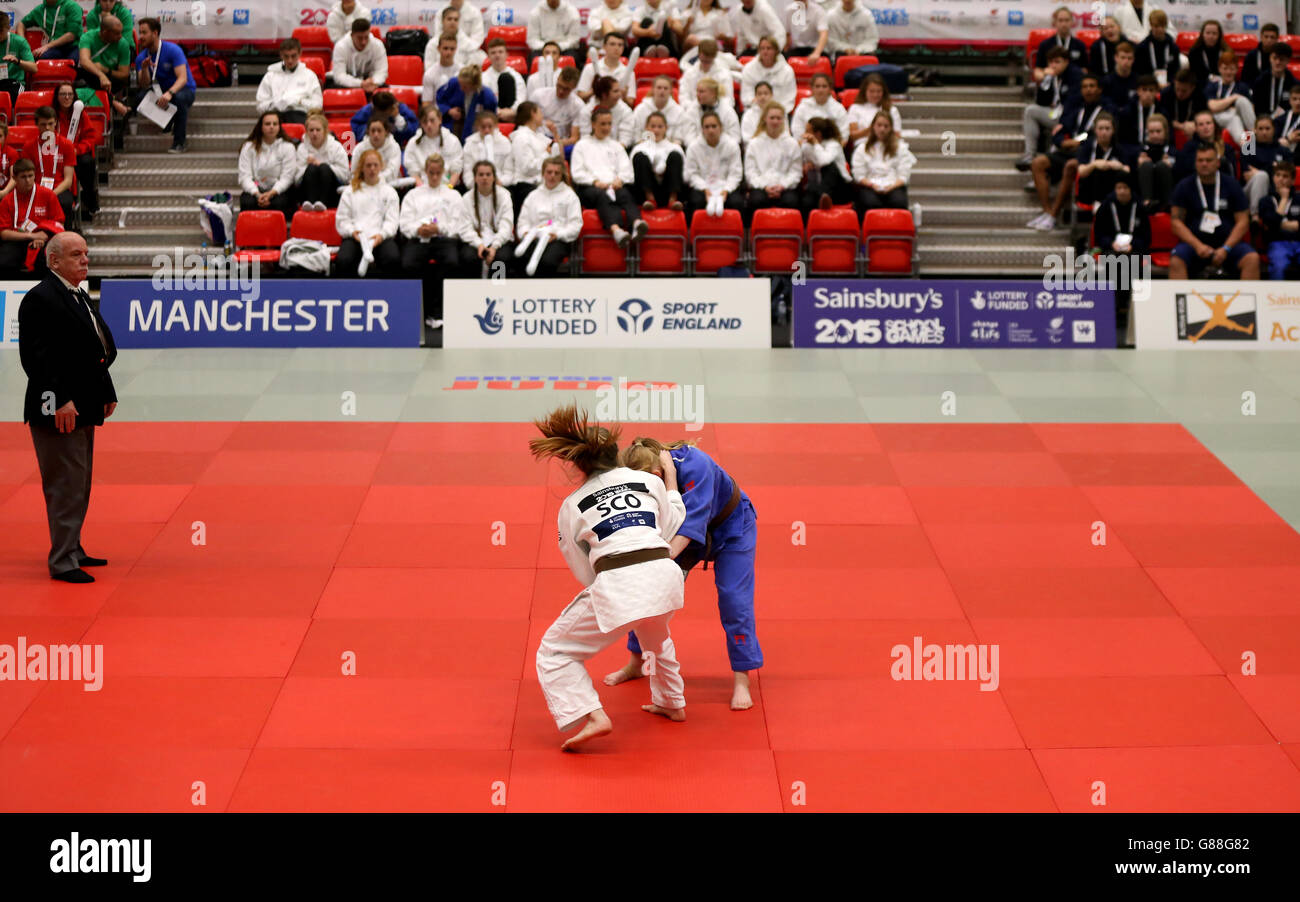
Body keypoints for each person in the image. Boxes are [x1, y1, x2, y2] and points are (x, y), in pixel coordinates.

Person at [531, 406, 688, 751]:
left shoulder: (572, 504)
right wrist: (672, 484)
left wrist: (606, 591)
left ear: (579, 465)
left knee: (555, 651)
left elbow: (578, 563)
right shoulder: (649, 481)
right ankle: (672, 702)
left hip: (620, 580)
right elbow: (670, 523)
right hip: (665, 575)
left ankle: (592, 715)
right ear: (616, 454)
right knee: (655, 635)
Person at [608, 436, 760, 712]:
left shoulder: (696, 464)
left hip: (732, 528)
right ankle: (636, 662)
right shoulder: (636, 477)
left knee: (734, 600)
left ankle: (742, 679)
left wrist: (658, 558)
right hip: (681, 530)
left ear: (657, 473)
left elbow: (694, 522)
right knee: (647, 590)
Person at [17, 232, 115, 584]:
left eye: (86, 254)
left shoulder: (77, 295)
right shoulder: (40, 298)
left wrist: (106, 390)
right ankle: (62, 560)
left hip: (84, 404)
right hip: (58, 408)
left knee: (80, 481)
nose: (85, 260)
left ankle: (72, 546)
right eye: (77, 255)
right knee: (64, 483)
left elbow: (95, 351)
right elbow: (37, 359)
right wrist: (58, 400)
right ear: (54, 261)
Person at [1027, 73, 1110, 231]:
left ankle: (1053, 214)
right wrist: (1062, 142)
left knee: (1071, 166)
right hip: (1069, 149)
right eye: (1085, 87)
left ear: (1099, 89)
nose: (1088, 90)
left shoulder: (1107, 109)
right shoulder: (1076, 107)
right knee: (1038, 162)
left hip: (1089, 152)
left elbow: (1104, 135)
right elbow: (1061, 129)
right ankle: (1047, 212)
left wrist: (1079, 143)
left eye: (1092, 86)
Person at [400, 153, 472, 329]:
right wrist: (418, 229)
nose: (433, 176)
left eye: (437, 173)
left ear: (443, 173)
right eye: (430, 172)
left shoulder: (453, 196)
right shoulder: (413, 195)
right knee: (408, 263)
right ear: (425, 172)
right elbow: (404, 224)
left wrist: (439, 228)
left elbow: (458, 226)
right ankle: (417, 311)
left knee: (451, 261)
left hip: (444, 239)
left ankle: (439, 311)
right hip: (418, 238)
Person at [1168, 143, 1259, 279]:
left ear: (1217, 163)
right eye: (1200, 160)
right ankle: (1178, 301)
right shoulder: (1184, 186)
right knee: (1176, 260)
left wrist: (1226, 248)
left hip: (1228, 246)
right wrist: (1198, 246)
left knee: (1252, 258)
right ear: (1195, 163)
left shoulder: (1232, 185)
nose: (1204, 164)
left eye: (1208, 160)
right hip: (1194, 246)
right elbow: (1176, 222)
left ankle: (1248, 300)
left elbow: (1243, 221)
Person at [571, 106, 645, 246]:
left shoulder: (616, 146)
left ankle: (636, 223)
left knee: (624, 194)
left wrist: (620, 180)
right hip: (589, 188)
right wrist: (595, 182)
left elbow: (627, 170)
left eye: (609, 124)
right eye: (602, 124)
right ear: (593, 124)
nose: (606, 127)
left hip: (614, 186)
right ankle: (616, 230)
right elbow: (577, 173)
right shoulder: (581, 145)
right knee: (601, 196)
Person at [133, 17, 195, 154]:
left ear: (155, 33)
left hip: (182, 89)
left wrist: (170, 93)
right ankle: (167, 121)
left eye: (144, 33)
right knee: (140, 97)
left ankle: (180, 142)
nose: (141, 36)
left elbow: (183, 78)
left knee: (179, 99)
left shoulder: (173, 50)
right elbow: (144, 85)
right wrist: (144, 69)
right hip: (161, 90)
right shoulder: (141, 57)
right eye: (140, 33)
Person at [337, 148, 400, 276]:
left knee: (392, 258)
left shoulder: (390, 192)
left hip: (380, 237)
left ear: (381, 167)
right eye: (368, 165)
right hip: (355, 237)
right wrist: (352, 232)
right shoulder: (350, 192)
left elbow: (392, 221)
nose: (372, 169)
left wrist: (382, 235)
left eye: (375, 165)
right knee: (344, 260)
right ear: (362, 168)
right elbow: (342, 219)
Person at [515, 156, 581, 275]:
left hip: (558, 239)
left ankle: (545, 293)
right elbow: (523, 222)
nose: (552, 176)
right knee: (519, 258)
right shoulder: (533, 196)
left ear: (561, 175)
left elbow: (575, 225)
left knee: (546, 261)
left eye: (556, 173)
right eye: (549, 172)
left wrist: (557, 235)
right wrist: (525, 233)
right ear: (543, 173)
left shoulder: (570, 196)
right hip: (534, 236)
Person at [1019, 47, 1082, 171]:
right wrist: (1046, 80)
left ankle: (1047, 170)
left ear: (1066, 62)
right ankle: (1029, 154)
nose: (1053, 65)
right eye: (1051, 62)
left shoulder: (1075, 75)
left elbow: (1074, 105)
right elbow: (1041, 101)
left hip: (1071, 118)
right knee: (1031, 111)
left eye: (1057, 62)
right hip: (1055, 113)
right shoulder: (1052, 76)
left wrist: (1063, 124)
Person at [0, 158, 64, 277]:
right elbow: (4, 233)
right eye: (23, 177)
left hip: (43, 241)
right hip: (17, 241)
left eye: (31, 176)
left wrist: (44, 236)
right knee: (4, 261)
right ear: (14, 178)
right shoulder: (7, 201)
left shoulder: (48, 195)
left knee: (45, 260)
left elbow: (59, 223)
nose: (28, 180)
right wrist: (32, 235)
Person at [459, 158, 516, 276]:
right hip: (475, 241)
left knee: (501, 259)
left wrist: (494, 247)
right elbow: (465, 228)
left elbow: (506, 226)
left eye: (488, 174)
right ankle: (472, 293)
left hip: (500, 241)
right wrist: (479, 245)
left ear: (494, 177)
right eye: (481, 174)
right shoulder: (467, 198)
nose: (484, 177)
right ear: (475, 178)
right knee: (468, 257)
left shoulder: (504, 195)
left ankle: (498, 292)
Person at [744, 101, 800, 221]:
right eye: (772, 118)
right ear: (765, 119)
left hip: (785, 187)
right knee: (756, 200)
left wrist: (783, 185)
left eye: (778, 118)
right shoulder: (754, 143)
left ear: (783, 120)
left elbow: (796, 172)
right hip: (761, 188)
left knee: (792, 201)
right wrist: (765, 186)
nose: (775, 121)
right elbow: (750, 173)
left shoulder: (792, 143)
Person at [53, 83, 103, 220]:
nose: (67, 97)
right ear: (57, 97)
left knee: (86, 162)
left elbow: (91, 137)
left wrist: (77, 149)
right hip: (57, 154)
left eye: (70, 94)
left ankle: (89, 198)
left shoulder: (81, 114)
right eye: (63, 94)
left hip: (77, 152)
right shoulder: (52, 115)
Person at [851, 109, 914, 215]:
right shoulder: (862, 148)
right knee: (870, 203)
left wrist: (891, 186)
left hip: (893, 185)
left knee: (898, 202)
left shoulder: (901, 148)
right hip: (870, 185)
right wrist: (872, 185)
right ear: (873, 126)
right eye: (879, 125)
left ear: (891, 128)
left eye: (886, 126)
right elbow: (859, 175)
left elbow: (904, 175)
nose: (882, 129)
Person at [684, 110, 742, 218]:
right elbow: (691, 174)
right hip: (703, 187)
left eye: (714, 126)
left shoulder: (732, 146)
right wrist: (704, 188)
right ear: (702, 129)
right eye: (707, 127)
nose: (710, 130)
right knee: (696, 201)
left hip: (726, 186)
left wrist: (726, 190)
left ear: (721, 128)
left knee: (737, 202)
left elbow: (735, 173)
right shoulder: (693, 147)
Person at [238, 111, 297, 216]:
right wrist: (256, 193)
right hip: (256, 188)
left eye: (275, 124)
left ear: (279, 127)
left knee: (280, 203)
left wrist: (271, 193)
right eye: (267, 124)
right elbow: (244, 177)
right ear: (261, 126)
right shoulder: (248, 147)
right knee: (247, 202)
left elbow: (287, 177)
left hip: (278, 190)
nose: (271, 127)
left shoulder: (288, 147)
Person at [25, 105, 77, 222]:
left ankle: (65, 237)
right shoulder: (29, 146)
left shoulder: (67, 145)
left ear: (56, 123)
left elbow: (68, 181)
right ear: (37, 125)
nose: (47, 128)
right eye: (43, 124)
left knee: (64, 202)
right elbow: (26, 175)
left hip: (59, 189)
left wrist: (51, 194)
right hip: (35, 189)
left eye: (50, 123)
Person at [257, 38, 322, 127]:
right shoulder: (270, 76)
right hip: (275, 117)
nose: (290, 60)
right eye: (286, 56)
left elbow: (318, 106)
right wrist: (274, 105)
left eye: (293, 56)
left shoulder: (309, 76)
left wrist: (299, 101)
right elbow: (260, 106)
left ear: (300, 54)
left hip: (300, 116)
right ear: (281, 55)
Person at [509, 100, 560, 213]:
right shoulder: (521, 138)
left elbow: (557, 158)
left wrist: (555, 134)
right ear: (533, 113)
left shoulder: (539, 137)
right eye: (540, 112)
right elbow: (527, 167)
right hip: (526, 185)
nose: (542, 116)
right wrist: (546, 154)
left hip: (542, 183)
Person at [294, 112, 350, 210]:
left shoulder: (336, 147)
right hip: (307, 190)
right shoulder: (302, 148)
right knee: (311, 168)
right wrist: (310, 167)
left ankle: (322, 203)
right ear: (306, 132)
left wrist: (322, 164)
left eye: (318, 130)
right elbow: (296, 179)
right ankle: (310, 204)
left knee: (324, 168)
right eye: (311, 130)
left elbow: (345, 176)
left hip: (332, 191)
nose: (314, 133)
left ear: (325, 131)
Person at [1075, 111, 1132, 208]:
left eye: (1107, 128)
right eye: (1100, 128)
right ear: (1095, 130)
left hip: (1112, 190)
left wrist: (1119, 166)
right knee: (1098, 170)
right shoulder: (1087, 146)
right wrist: (1094, 164)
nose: (1104, 132)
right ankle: (1098, 203)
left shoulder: (1118, 148)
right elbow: (1081, 171)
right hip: (1089, 190)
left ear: (1113, 130)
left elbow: (1127, 171)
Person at [630, 110, 684, 210]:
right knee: (640, 157)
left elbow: (683, 175)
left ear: (666, 128)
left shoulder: (675, 147)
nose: (656, 130)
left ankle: (673, 200)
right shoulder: (639, 148)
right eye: (653, 126)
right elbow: (632, 175)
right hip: (645, 192)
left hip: (667, 188)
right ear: (646, 128)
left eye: (660, 126)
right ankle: (650, 199)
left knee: (675, 156)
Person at [1258, 158, 1300, 279]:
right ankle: (1276, 297)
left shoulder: (1298, 199)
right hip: (1277, 243)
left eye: (1285, 176)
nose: (1280, 179)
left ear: (1292, 181)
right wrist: (1284, 199)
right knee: (1279, 265)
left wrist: (1279, 224)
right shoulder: (1266, 201)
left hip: (1298, 242)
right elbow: (1270, 224)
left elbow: (1275, 223)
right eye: (1278, 175)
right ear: (1273, 178)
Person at [404, 103, 463, 189]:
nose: (429, 125)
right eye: (425, 121)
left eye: (432, 120)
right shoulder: (413, 143)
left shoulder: (452, 141)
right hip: (421, 188)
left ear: (440, 119)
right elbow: (413, 173)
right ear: (420, 123)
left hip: (448, 187)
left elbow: (456, 170)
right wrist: (424, 190)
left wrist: (449, 189)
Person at [1239, 115, 1291, 213]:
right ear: (1255, 130)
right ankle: (1256, 215)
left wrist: (1260, 171)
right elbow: (1246, 175)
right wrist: (1272, 167)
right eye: (1260, 129)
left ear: (1274, 130)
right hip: (1249, 191)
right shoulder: (1248, 146)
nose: (1264, 132)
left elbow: (1287, 175)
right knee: (1261, 177)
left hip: (1277, 190)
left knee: (1261, 175)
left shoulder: (1283, 150)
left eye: (1267, 128)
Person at [1092, 170, 1150, 256]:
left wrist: (1133, 245)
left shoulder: (1139, 206)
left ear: (1130, 189)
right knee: (1110, 258)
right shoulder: (1106, 206)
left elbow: (1146, 236)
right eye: (1119, 188)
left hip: (1134, 248)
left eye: (1125, 187)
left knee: (1135, 259)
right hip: (1112, 247)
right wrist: (1111, 243)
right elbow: (1099, 234)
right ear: (1115, 189)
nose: (1122, 191)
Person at [76, 13, 130, 104]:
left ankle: (111, 103)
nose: (120, 36)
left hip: (111, 78)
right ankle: (114, 103)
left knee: (110, 83)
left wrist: (104, 70)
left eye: (121, 32)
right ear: (105, 32)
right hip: (91, 75)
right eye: (117, 33)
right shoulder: (88, 37)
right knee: (84, 81)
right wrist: (101, 75)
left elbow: (124, 74)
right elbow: (84, 61)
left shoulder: (123, 43)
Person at [1206, 49, 1255, 146]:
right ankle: (1248, 146)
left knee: (1241, 102)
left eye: (1232, 69)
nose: (1228, 72)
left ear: (1237, 70)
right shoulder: (1213, 85)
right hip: (1219, 119)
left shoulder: (1242, 87)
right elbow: (1213, 107)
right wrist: (1233, 98)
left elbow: (1250, 110)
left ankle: (1254, 132)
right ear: (1219, 69)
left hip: (1240, 119)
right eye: (1225, 68)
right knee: (1233, 117)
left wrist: (1223, 104)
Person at [1172, 109, 1236, 183]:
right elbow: (1181, 172)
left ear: (1214, 125)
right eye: (1201, 124)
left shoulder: (1226, 148)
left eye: (1208, 123)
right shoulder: (1189, 148)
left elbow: (1232, 173)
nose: (1205, 127)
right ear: (1196, 128)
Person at [438, 65, 498, 142]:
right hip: (454, 125)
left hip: (475, 130)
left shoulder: (487, 96)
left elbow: (492, 118)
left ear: (474, 85)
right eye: (460, 84)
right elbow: (440, 99)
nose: (461, 88)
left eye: (465, 87)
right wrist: (448, 110)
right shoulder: (454, 83)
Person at [532, 66, 583, 154]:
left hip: (560, 141)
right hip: (537, 136)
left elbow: (574, 138)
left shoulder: (578, 105)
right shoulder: (538, 95)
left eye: (566, 89)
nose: (561, 91)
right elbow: (526, 121)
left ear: (574, 87)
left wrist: (555, 143)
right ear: (557, 79)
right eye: (559, 86)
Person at [330, 18, 387, 93]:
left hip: (370, 82)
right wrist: (360, 83)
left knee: (384, 92)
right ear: (352, 35)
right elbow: (339, 76)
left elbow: (381, 71)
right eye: (360, 38)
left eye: (366, 37)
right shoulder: (340, 46)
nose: (363, 42)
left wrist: (375, 82)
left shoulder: (378, 45)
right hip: (347, 82)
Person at [679, 77, 741, 147]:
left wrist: (719, 147)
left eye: (701, 92)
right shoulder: (692, 110)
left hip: (723, 150)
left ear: (713, 93)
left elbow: (735, 137)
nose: (697, 95)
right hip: (699, 151)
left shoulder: (728, 111)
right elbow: (688, 137)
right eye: (697, 91)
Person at [741, 35, 796, 112]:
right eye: (762, 48)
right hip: (755, 111)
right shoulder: (749, 69)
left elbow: (789, 98)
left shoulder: (787, 71)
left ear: (776, 51)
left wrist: (777, 111)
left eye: (769, 48)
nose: (765, 51)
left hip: (779, 113)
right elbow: (746, 96)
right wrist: (758, 105)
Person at [461, 109, 515, 185]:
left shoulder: (504, 143)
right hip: (476, 186)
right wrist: (475, 184)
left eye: (490, 127)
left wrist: (501, 182)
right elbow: (468, 172)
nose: (487, 130)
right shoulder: (470, 143)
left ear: (496, 126)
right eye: (483, 127)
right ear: (477, 127)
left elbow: (509, 171)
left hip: (500, 184)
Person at [791, 72, 849, 142]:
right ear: (812, 88)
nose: (821, 90)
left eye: (824, 86)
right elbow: (797, 133)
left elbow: (844, 135)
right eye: (817, 86)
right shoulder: (803, 107)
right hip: (807, 146)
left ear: (830, 89)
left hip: (832, 148)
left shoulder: (838, 108)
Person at [578, 76, 635, 147]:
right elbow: (585, 137)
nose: (620, 94)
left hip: (616, 151)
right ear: (604, 95)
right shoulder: (586, 111)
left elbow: (625, 140)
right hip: (592, 150)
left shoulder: (625, 111)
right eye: (615, 91)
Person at [679, 38, 737, 106]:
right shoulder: (689, 74)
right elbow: (683, 98)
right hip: (694, 111)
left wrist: (713, 107)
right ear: (699, 55)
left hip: (717, 111)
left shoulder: (724, 74)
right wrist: (698, 108)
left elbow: (729, 100)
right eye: (703, 61)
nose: (705, 65)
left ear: (715, 56)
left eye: (708, 62)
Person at [1135, 112, 1174, 212]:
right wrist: (1138, 164)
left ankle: (1167, 204)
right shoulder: (1140, 152)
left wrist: (1171, 163)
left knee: (1162, 166)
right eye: (1151, 132)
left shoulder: (1172, 151)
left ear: (1165, 132)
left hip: (1167, 194)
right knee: (1146, 165)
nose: (1155, 135)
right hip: (1145, 195)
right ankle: (1147, 202)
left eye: (1158, 131)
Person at [1033, 6, 1086, 80]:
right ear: (1054, 23)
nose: (1064, 24)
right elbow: (1037, 71)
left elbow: (1085, 70)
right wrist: (1044, 74)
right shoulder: (1045, 45)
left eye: (1067, 20)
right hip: (1052, 82)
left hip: (1073, 84)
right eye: (1060, 20)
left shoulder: (1080, 45)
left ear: (1072, 22)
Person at [350, 89, 418, 146]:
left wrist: (397, 117)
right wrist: (372, 129)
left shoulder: (400, 108)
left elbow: (413, 131)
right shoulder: (367, 110)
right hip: (371, 147)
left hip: (396, 147)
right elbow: (357, 131)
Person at [848, 73, 901, 143]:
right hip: (863, 145)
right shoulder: (855, 108)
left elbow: (897, 135)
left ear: (883, 92)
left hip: (887, 145)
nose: (875, 95)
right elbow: (852, 136)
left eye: (879, 91)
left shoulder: (892, 110)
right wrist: (871, 129)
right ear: (865, 91)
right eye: (871, 91)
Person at [633, 75, 687, 146]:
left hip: (670, 150)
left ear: (671, 91)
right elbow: (636, 136)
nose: (662, 91)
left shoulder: (679, 111)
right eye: (659, 88)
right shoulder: (640, 110)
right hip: (645, 148)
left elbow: (678, 139)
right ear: (653, 89)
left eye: (665, 88)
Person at [483, 38, 526, 122]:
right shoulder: (483, 77)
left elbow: (521, 99)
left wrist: (511, 111)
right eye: (493, 52)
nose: (497, 55)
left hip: (512, 116)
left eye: (500, 52)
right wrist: (496, 111)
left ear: (506, 54)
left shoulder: (516, 76)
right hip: (489, 117)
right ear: (488, 56)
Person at [349, 118, 402, 185]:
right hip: (364, 185)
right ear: (368, 132)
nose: (376, 134)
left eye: (379, 131)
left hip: (389, 185)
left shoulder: (394, 147)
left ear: (386, 132)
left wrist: (374, 180)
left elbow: (393, 173)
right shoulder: (359, 148)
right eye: (373, 131)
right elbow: (354, 173)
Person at [578, 31, 628, 101]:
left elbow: (631, 102)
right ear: (604, 46)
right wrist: (594, 91)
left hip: (618, 108)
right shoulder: (590, 68)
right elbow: (580, 96)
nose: (616, 48)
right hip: (595, 106)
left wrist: (624, 96)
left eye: (620, 45)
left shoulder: (628, 72)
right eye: (612, 44)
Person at [1252, 42, 1296, 120]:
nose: (1277, 62)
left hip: (1285, 122)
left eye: (1281, 59)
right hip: (1262, 121)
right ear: (1270, 58)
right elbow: (1256, 106)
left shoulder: (1293, 83)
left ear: (1288, 61)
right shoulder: (1260, 81)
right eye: (1275, 58)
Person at [1135, 9, 1178, 87]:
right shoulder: (1142, 47)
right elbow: (1140, 71)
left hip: (1169, 85)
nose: (1160, 29)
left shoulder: (1173, 47)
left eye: (1162, 26)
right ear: (1151, 26)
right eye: (1156, 26)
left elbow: (1175, 69)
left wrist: (1170, 83)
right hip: (1148, 85)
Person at [0, 15, 35, 105]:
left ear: (8, 27)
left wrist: (17, 61)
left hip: (13, 82)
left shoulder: (19, 42)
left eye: (0, 31)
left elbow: (34, 68)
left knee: (13, 96)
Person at [423, 32, 462, 102]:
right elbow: (426, 103)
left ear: (456, 49)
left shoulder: (462, 72)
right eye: (445, 48)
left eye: (452, 49)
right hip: (437, 111)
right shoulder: (429, 74)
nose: (449, 52)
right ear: (438, 48)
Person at [1242, 21, 1280, 86]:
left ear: (1277, 39)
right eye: (1266, 37)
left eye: (1272, 37)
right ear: (1261, 37)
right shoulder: (1252, 55)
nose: (1269, 40)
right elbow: (1245, 79)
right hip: (1254, 89)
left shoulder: (1280, 56)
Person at [1188, 19, 1222, 88]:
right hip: (1201, 86)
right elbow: (1194, 76)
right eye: (1208, 33)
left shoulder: (1225, 51)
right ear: (1202, 34)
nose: (1211, 36)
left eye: (1214, 33)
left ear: (1219, 35)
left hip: (1222, 85)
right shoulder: (1194, 52)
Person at [739, 81, 774, 146]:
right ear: (755, 96)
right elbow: (746, 138)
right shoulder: (748, 115)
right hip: (755, 150)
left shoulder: (780, 113)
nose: (763, 97)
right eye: (759, 94)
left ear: (771, 95)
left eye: (766, 93)